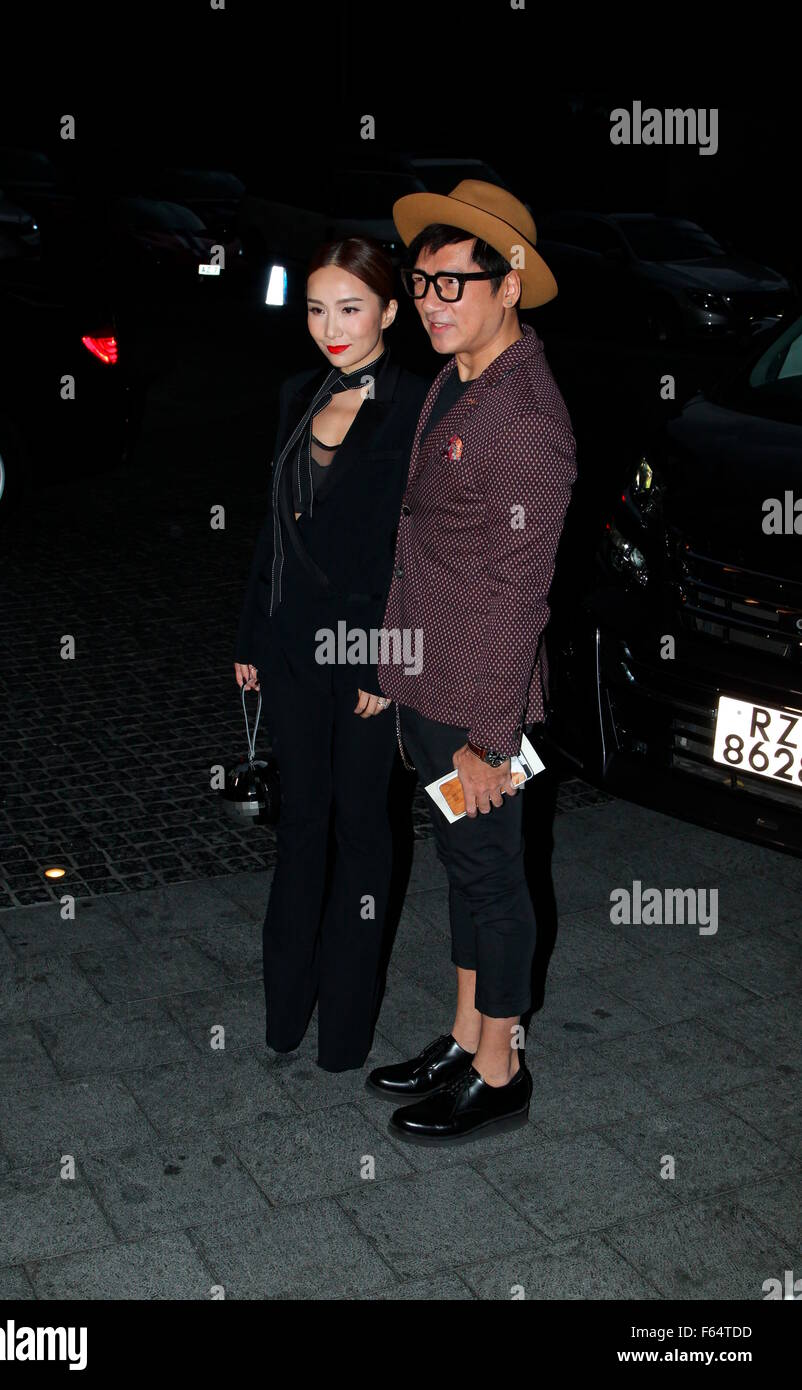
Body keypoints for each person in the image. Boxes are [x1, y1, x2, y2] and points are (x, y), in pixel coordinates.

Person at [365, 181, 578, 1142]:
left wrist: (491, 744)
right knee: (466, 867)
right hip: (433, 680)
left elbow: (514, 597)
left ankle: (501, 1074)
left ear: (512, 284)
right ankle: (464, 1033)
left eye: (458, 281)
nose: (434, 301)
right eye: (422, 283)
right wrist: (390, 665)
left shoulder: (525, 422)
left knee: (492, 877)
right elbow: (424, 543)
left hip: (483, 707)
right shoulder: (463, 380)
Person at [233, 236, 427, 1073]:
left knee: (363, 834)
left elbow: (426, 550)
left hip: (367, 661)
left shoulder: (424, 405)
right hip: (287, 653)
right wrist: (249, 635)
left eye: (351, 307)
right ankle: (284, 1016)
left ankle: (344, 1034)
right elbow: (273, 527)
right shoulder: (294, 394)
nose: (331, 327)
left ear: (389, 311)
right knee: (298, 829)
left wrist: (391, 662)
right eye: (316, 308)